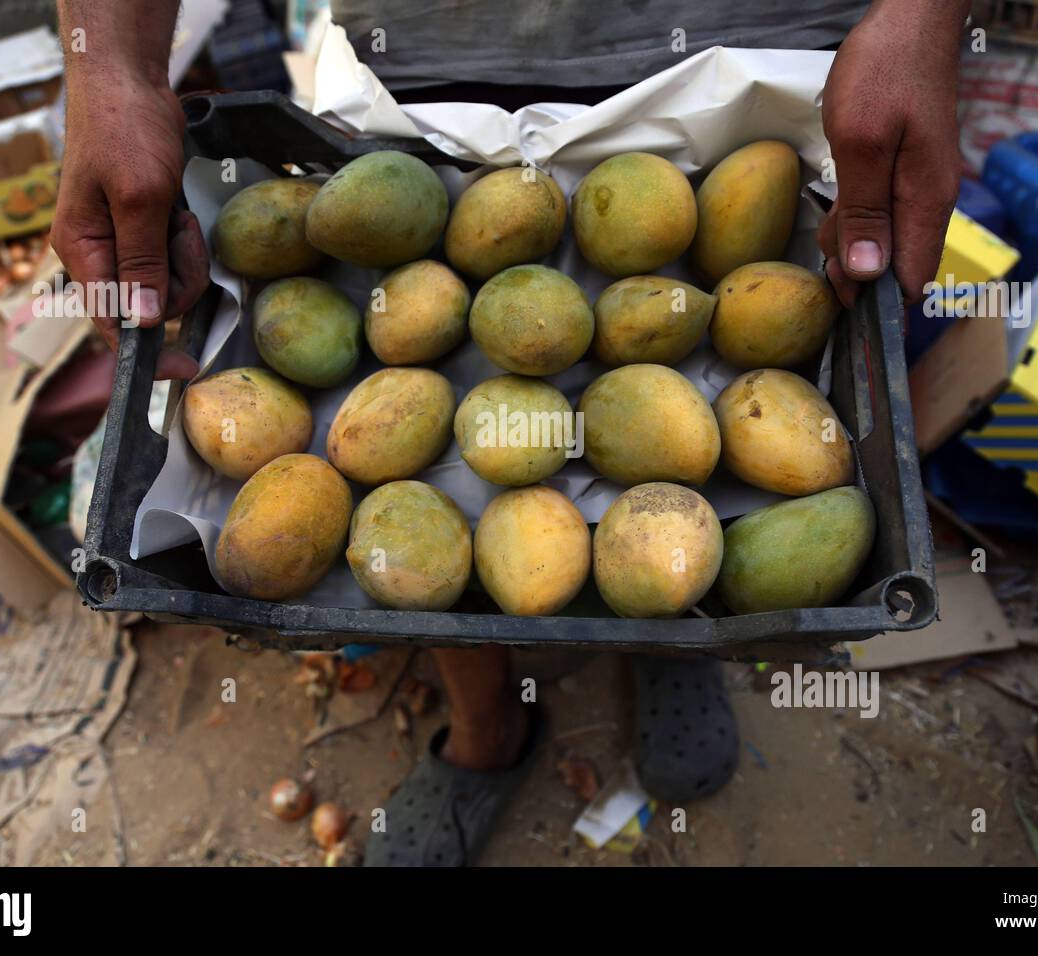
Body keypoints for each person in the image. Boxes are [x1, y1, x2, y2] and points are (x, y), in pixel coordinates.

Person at [52, 0, 968, 866]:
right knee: (444, 558)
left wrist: (926, 19)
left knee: (662, 571)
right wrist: (113, 72)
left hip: (744, 58)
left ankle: (673, 636)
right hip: (420, 76)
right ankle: (493, 719)